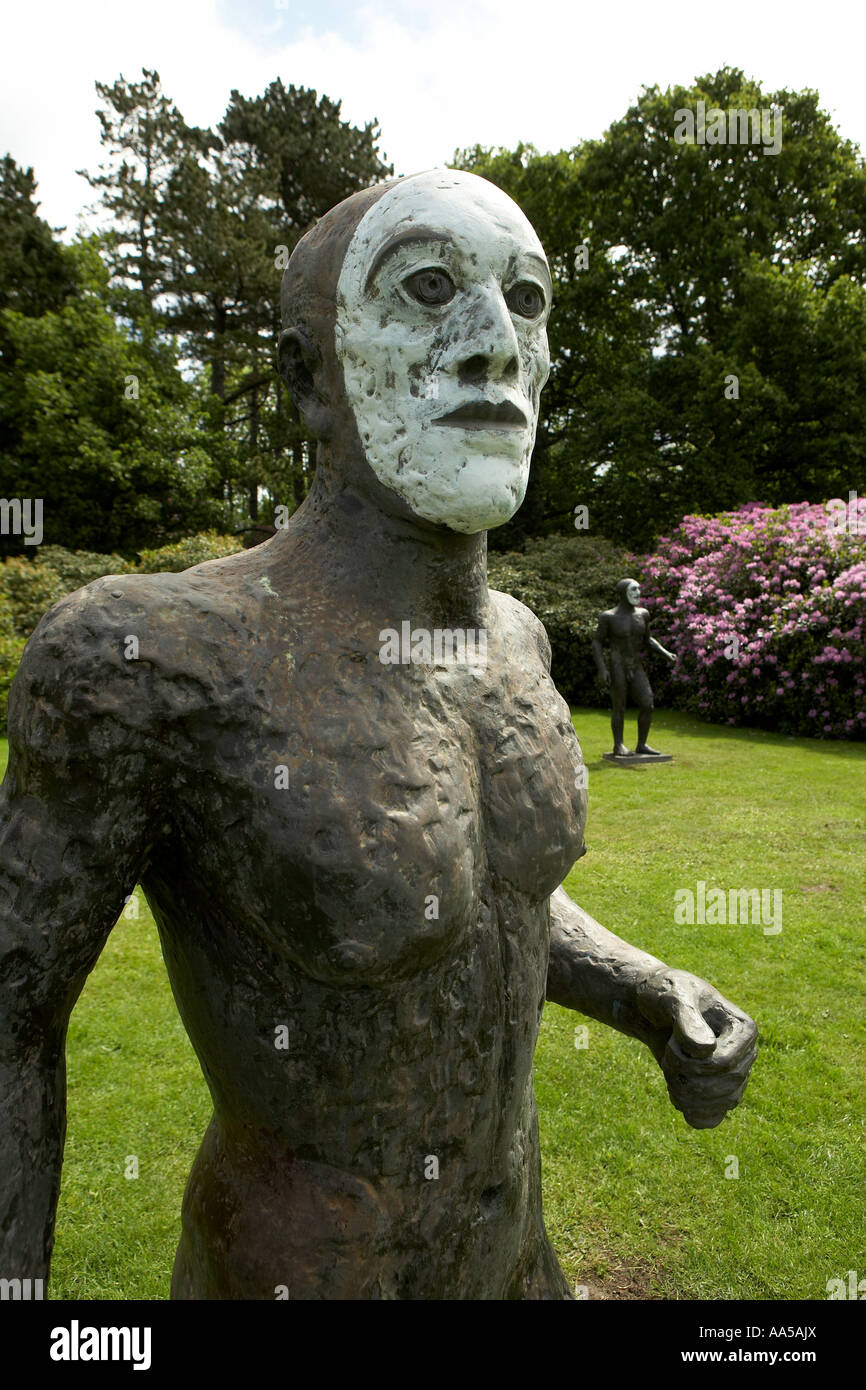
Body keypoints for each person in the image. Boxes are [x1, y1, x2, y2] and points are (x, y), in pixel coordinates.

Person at [0, 170, 757, 1300]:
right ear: (307, 379)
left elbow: (491, 898)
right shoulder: (151, 659)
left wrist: (646, 988)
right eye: (428, 287)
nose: (493, 344)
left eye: (528, 299)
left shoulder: (514, 642)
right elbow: (11, 1021)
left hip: (516, 1261)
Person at [593, 578, 676, 757]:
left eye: (639, 589)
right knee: (619, 707)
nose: (638, 593)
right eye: (633, 590)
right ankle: (619, 745)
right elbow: (597, 642)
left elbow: (647, 640)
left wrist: (666, 653)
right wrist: (602, 669)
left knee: (647, 704)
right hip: (617, 666)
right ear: (623, 593)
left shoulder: (643, 614)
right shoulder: (608, 617)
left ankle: (642, 744)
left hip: (635, 666)